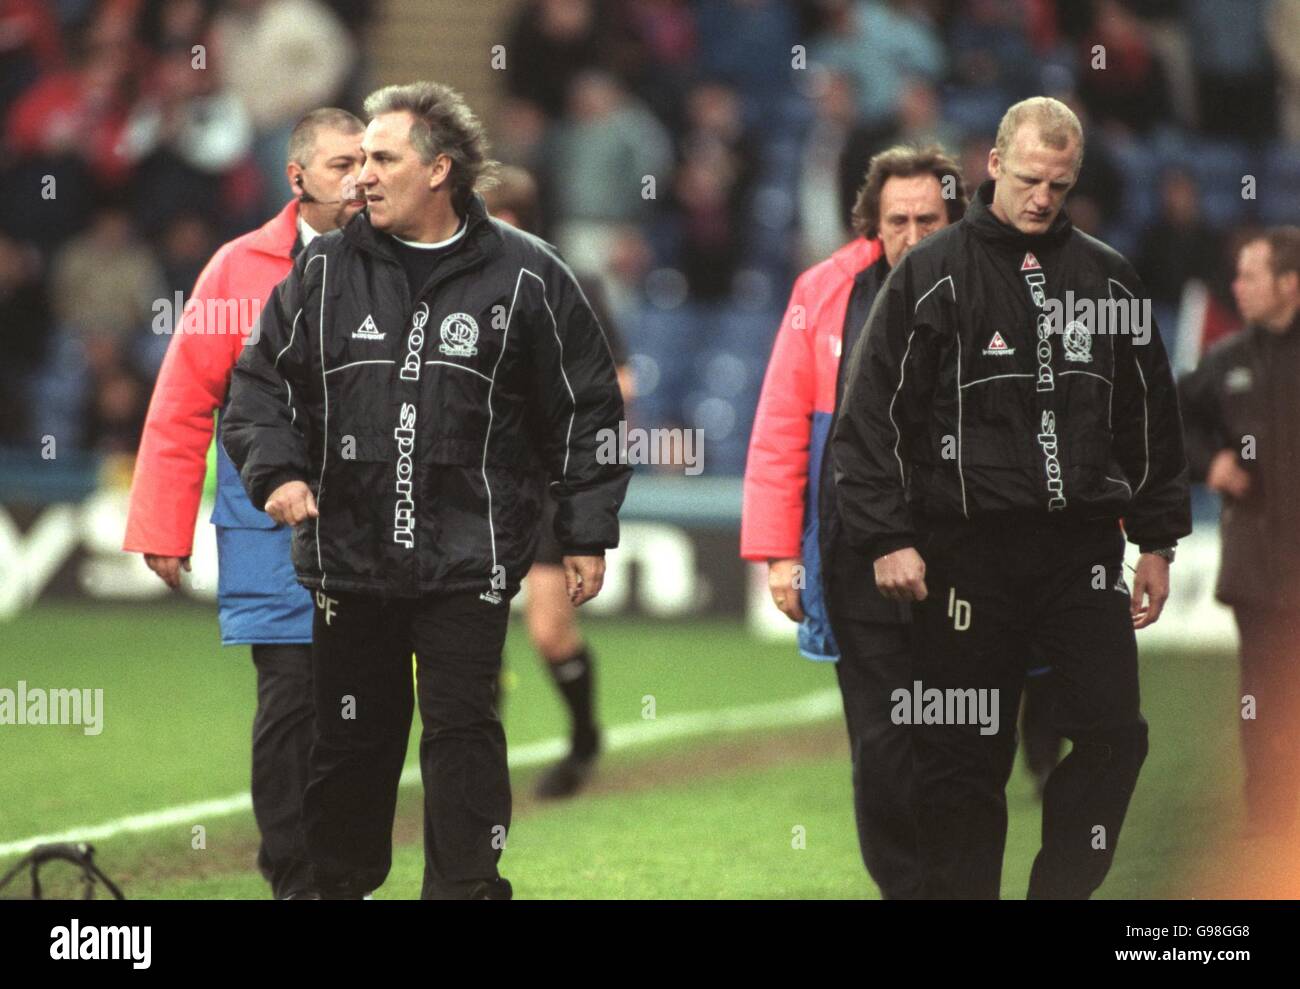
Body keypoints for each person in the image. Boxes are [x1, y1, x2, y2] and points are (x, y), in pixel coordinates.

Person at [221, 81, 630, 900]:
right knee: (350, 748)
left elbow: (587, 408)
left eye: (381, 158)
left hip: (467, 563)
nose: (360, 176)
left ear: (439, 169)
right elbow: (257, 386)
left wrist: (585, 529)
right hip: (348, 560)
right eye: (358, 158)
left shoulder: (529, 277)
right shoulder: (324, 271)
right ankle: (337, 888)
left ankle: (466, 888)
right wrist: (279, 472)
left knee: (465, 737)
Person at [832, 97, 1192, 899]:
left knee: (1114, 737)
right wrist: (886, 536)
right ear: (991, 164)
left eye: (1060, 187)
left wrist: (1159, 542)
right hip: (964, 558)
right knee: (962, 758)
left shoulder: (1109, 279)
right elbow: (869, 420)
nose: (1042, 199)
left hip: (1080, 557)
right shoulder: (930, 275)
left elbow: (1151, 422)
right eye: (1029, 179)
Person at [122, 107, 365, 900]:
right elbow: (186, 396)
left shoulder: (396, 258)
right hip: (267, 525)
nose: (360, 179)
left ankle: (345, 871)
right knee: (291, 698)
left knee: (360, 706)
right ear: (296, 178)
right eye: (340, 166)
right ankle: (296, 880)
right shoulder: (238, 267)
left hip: (373, 523)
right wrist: (163, 519)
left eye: (368, 162)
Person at [742, 144, 967, 899]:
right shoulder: (824, 291)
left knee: (962, 737)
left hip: (967, 554)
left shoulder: (994, 286)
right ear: (872, 221)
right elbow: (781, 426)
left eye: (927, 219)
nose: (911, 233)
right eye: (896, 219)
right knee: (881, 741)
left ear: (954, 217)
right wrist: (779, 551)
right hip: (855, 551)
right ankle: (906, 887)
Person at [482, 165, 633, 799]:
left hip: (543, 482)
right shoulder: (453, 286)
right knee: (471, 635)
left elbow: (619, 381)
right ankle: (477, 760)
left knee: (547, 630)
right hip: (475, 482)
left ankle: (582, 738)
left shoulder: (567, 285)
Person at [1179, 227, 1300, 836]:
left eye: (1251, 275)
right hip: (1257, 566)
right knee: (1263, 695)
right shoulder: (1227, 361)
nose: (1238, 286)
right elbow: (1175, 419)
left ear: (1289, 284)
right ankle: (1269, 818)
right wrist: (1211, 464)